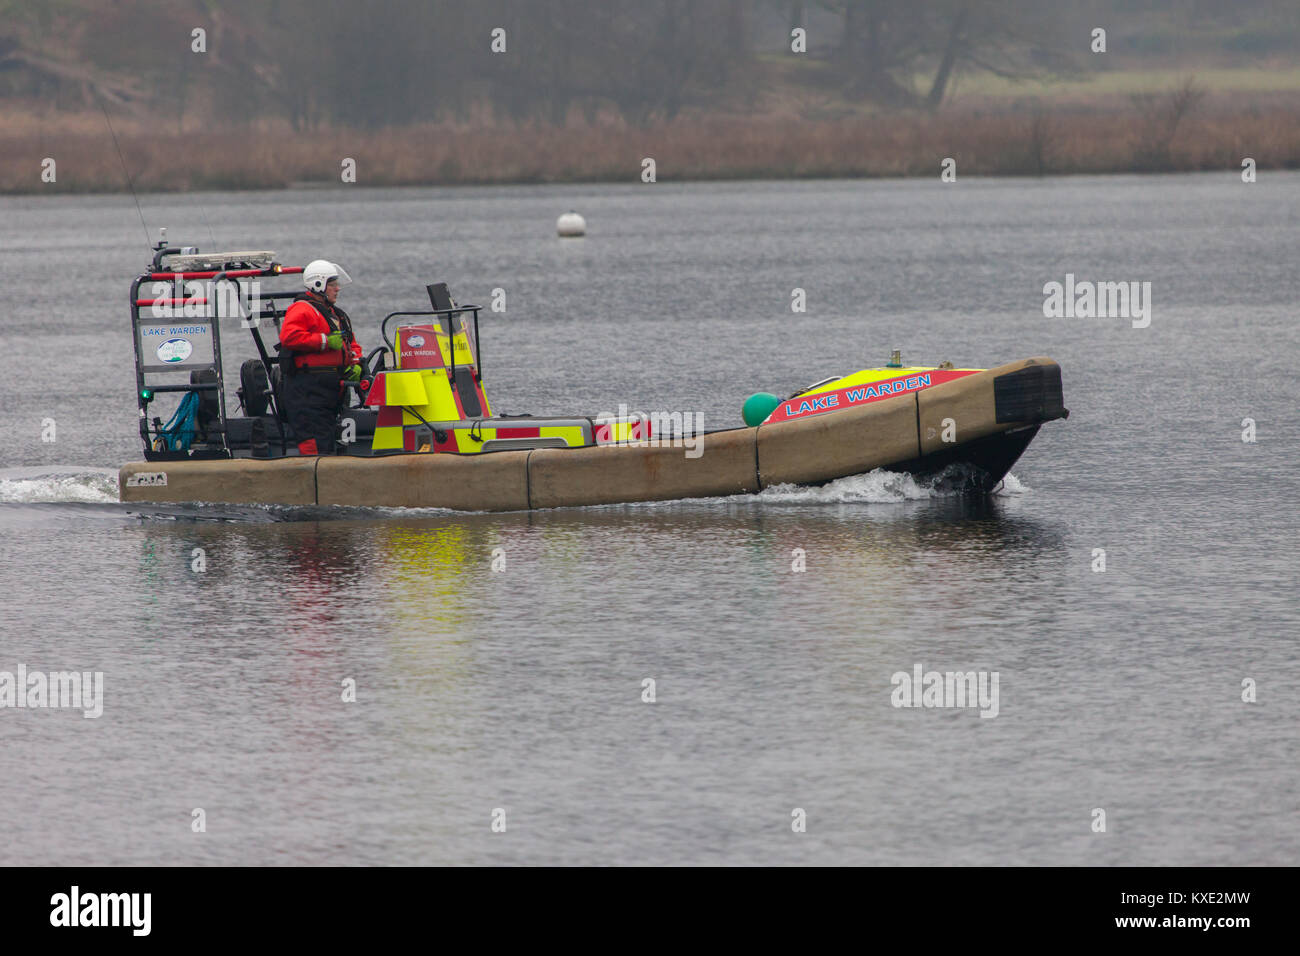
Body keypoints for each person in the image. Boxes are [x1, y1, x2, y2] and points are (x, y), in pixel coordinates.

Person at [279, 259, 365, 456]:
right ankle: (313, 474)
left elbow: (352, 344)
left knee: (328, 437)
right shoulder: (303, 309)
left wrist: (355, 364)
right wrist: (324, 341)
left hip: (331, 389)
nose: (337, 289)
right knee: (315, 441)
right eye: (333, 285)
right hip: (308, 390)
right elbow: (289, 336)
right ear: (318, 285)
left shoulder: (336, 314)